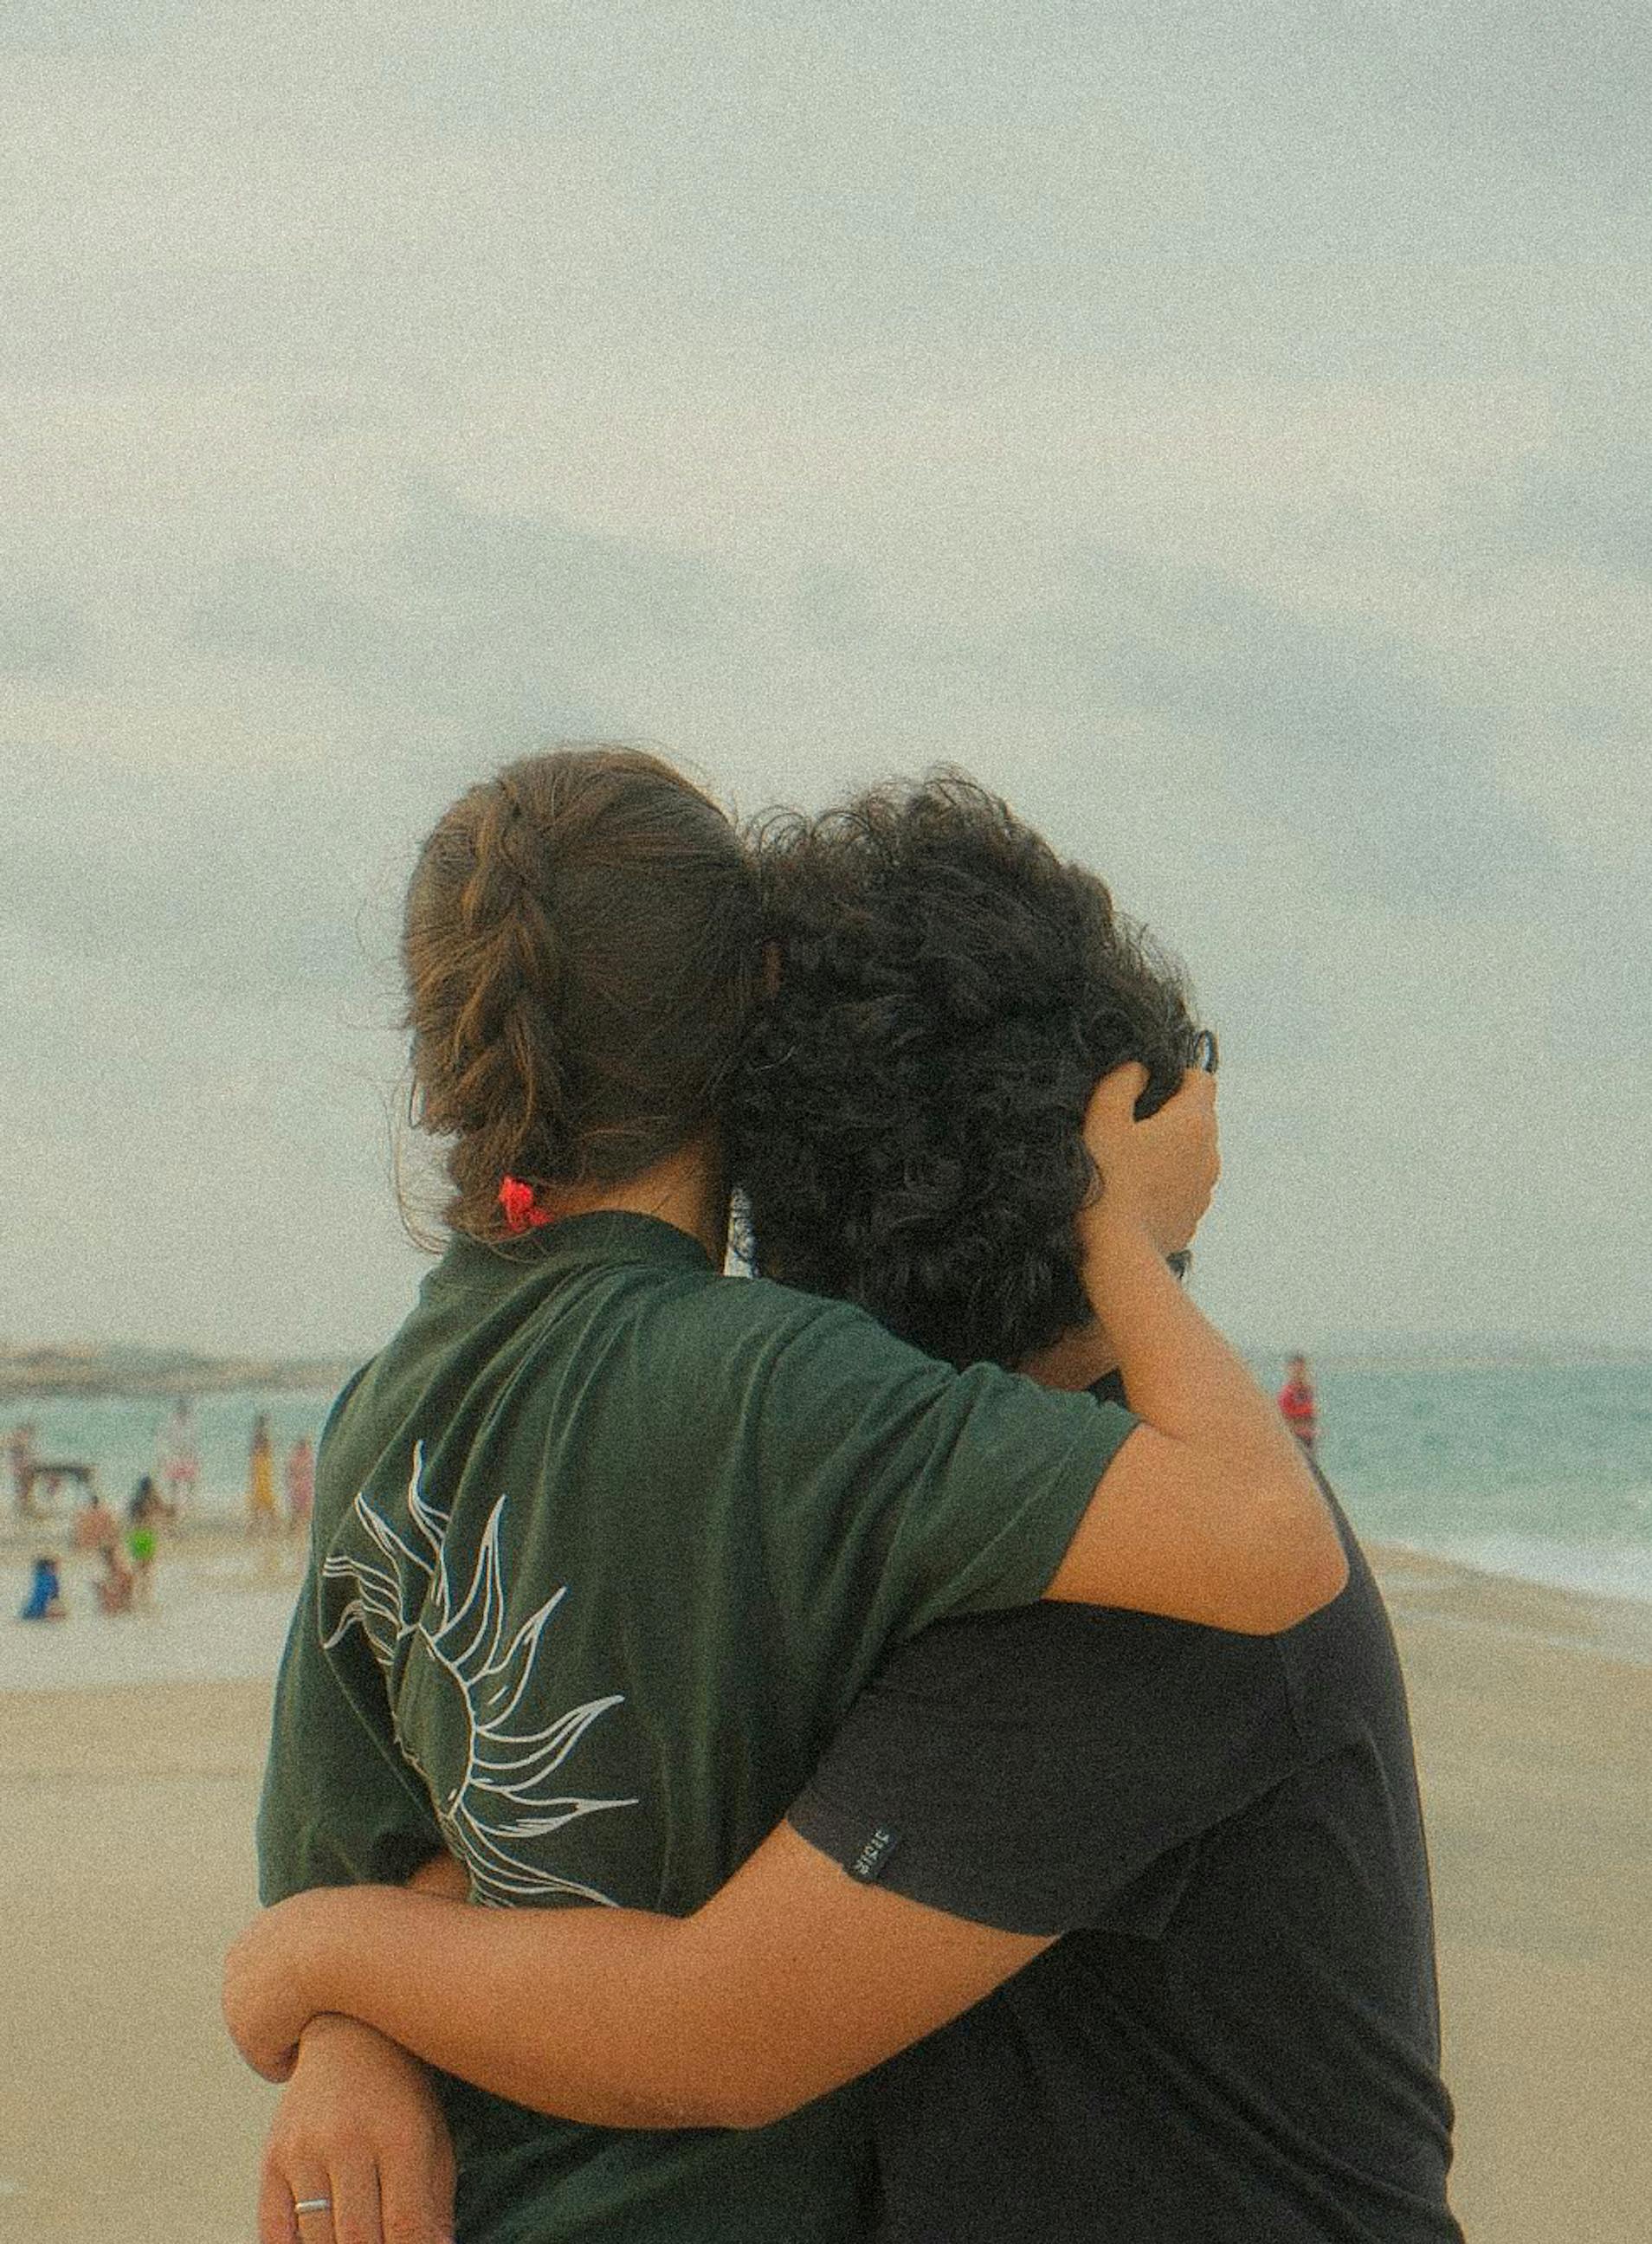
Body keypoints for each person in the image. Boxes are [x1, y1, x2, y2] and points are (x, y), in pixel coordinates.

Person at [228, 777, 1458, 2242]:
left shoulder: (1094, 1572)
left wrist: (316, 1964)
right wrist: (353, 2023)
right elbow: (460, 1838)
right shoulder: (870, 1469)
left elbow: (706, 2021)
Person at [158, 1397, 201, 1518]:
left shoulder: (190, 1424)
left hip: (186, 1455)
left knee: (190, 1481)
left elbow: (193, 1442)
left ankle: (190, 1502)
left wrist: (195, 1457)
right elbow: (167, 1439)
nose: (183, 1412)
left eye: (184, 1410)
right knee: (174, 1482)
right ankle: (175, 1502)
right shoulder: (173, 1423)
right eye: (181, 1410)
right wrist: (165, 1456)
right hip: (177, 1456)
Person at [1279, 1351, 1320, 1453]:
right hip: (1295, 1440)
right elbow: (1284, 1420)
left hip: (1308, 1438)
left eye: (1302, 1370)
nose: (1300, 1373)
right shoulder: (1286, 1394)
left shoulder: (1307, 1390)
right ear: (1290, 1370)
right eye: (1296, 1370)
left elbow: (1312, 1415)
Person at [248, 1415, 279, 1536]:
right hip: (263, 1467)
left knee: (260, 1502)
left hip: (260, 1467)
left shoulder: (257, 1437)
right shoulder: (263, 1437)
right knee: (266, 1501)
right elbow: (267, 1451)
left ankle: (256, 1528)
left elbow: (254, 1453)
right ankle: (270, 1527)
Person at [17, 1551, 66, 1622]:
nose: (57, 1568)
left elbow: (54, 1593)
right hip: (36, 1612)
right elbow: (47, 1594)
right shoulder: (46, 1579)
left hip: (36, 1612)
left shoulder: (49, 1578)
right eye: (54, 1566)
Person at [284, 1437, 315, 1538]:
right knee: (299, 1511)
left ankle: (294, 1532)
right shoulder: (300, 1458)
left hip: (302, 1486)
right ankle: (293, 1532)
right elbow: (290, 1472)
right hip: (301, 1486)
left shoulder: (303, 1457)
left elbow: (289, 1473)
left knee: (301, 1511)